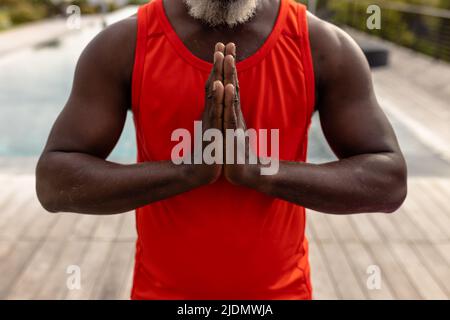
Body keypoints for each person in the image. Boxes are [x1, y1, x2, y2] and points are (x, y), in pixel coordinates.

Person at [36, 0, 407, 299]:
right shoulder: (126, 44)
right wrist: (186, 171)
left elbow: (388, 180)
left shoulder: (321, 46)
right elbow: (54, 181)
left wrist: (260, 170)